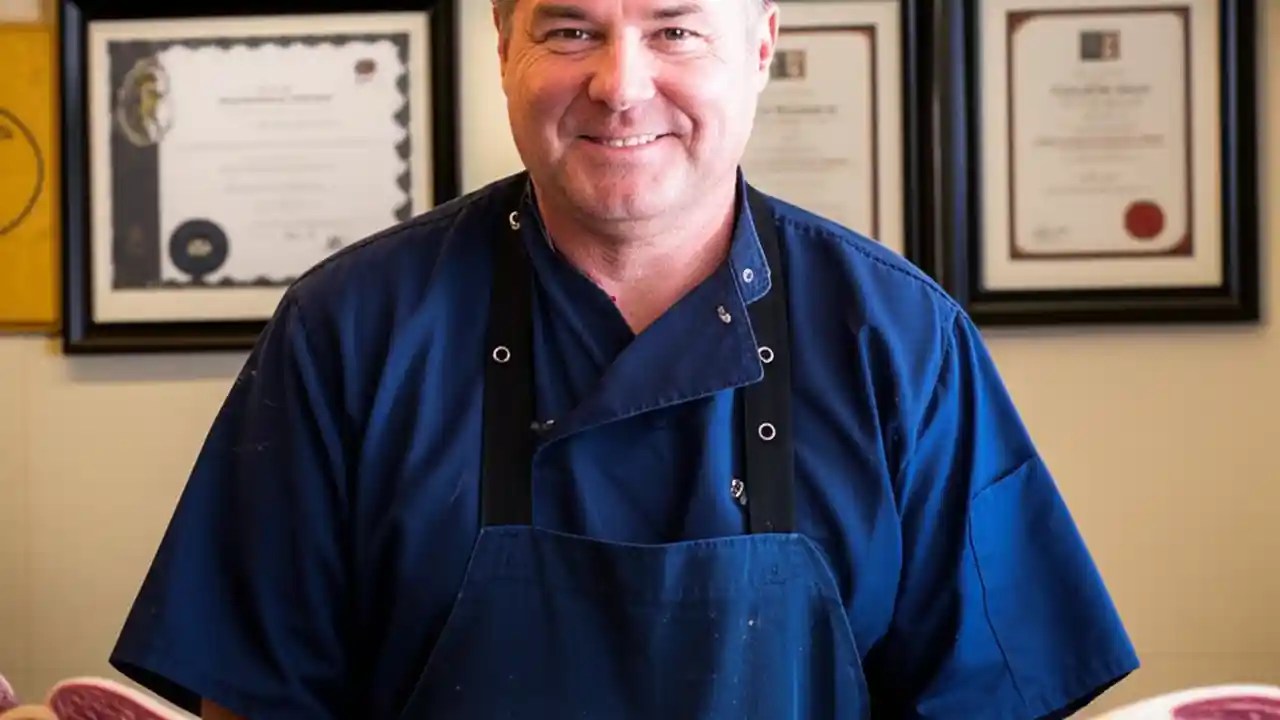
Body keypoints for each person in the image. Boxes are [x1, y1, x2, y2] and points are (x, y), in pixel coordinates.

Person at [109, 0, 1140, 717]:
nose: (619, 84)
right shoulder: (348, 330)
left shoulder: (898, 338)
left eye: (674, 29)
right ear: (503, 49)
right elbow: (254, 699)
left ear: (760, 46)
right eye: (569, 30)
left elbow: (986, 697)